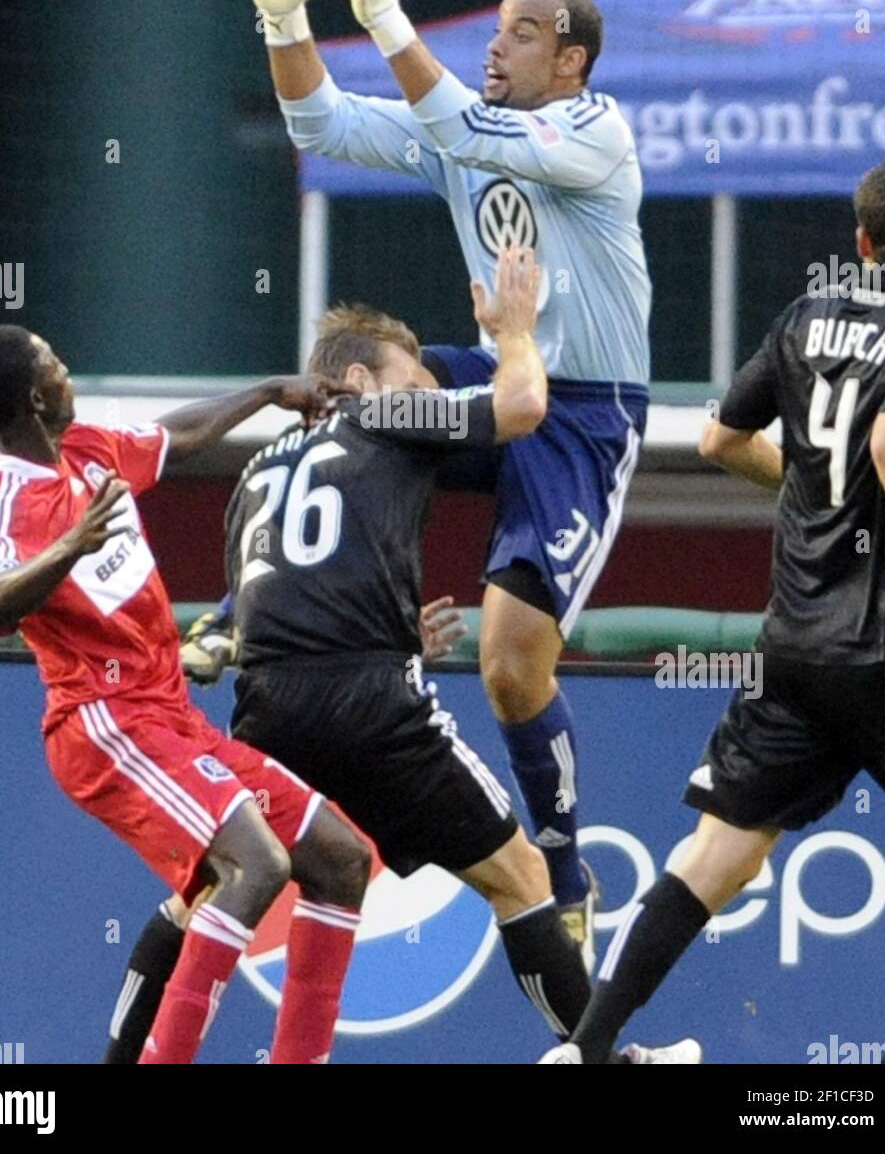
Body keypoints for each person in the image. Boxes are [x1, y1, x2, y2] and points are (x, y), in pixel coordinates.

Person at [202, 0, 652, 958]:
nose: (497, 46)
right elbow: (318, 120)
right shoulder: (460, 126)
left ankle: (562, 858)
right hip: (499, 362)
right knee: (356, 391)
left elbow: (466, 121)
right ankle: (237, 609)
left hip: (584, 410)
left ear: (573, 60)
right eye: (492, 29)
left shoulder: (594, 130)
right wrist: (283, 17)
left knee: (508, 663)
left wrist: (391, 22)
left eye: (522, 33)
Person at [110, 248, 694, 1063]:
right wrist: (516, 330)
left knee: (205, 891)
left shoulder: (254, 471)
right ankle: (606, 1060)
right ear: (358, 383)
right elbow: (521, 406)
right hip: (373, 707)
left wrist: (385, 622)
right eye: (414, 378)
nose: (429, 394)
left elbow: (279, 595)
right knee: (521, 877)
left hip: (269, 707)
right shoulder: (383, 416)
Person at [540, 154, 885, 1064]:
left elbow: (720, 437)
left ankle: (585, 1050)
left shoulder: (806, 315)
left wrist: (820, 498)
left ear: (861, 242)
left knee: (720, 850)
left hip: (796, 645)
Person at [0, 325, 371, 1065]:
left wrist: (274, 391)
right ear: (33, 395)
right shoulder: (3, 501)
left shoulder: (86, 449)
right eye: (54, 361)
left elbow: (181, 433)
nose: (67, 366)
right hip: (104, 724)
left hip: (170, 717)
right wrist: (69, 546)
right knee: (257, 867)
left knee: (339, 859)